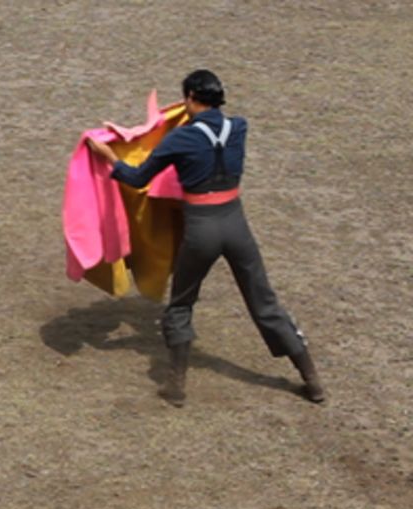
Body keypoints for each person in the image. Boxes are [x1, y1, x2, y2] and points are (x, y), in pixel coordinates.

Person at [86, 69, 326, 406]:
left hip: (201, 228)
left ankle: (177, 385)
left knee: (182, 302)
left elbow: (138, 178)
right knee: (264, 302)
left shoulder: (180, 139)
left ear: (189, 99)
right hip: (236, 223)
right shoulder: (239, 127)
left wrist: (109, 157)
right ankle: (312, 380)